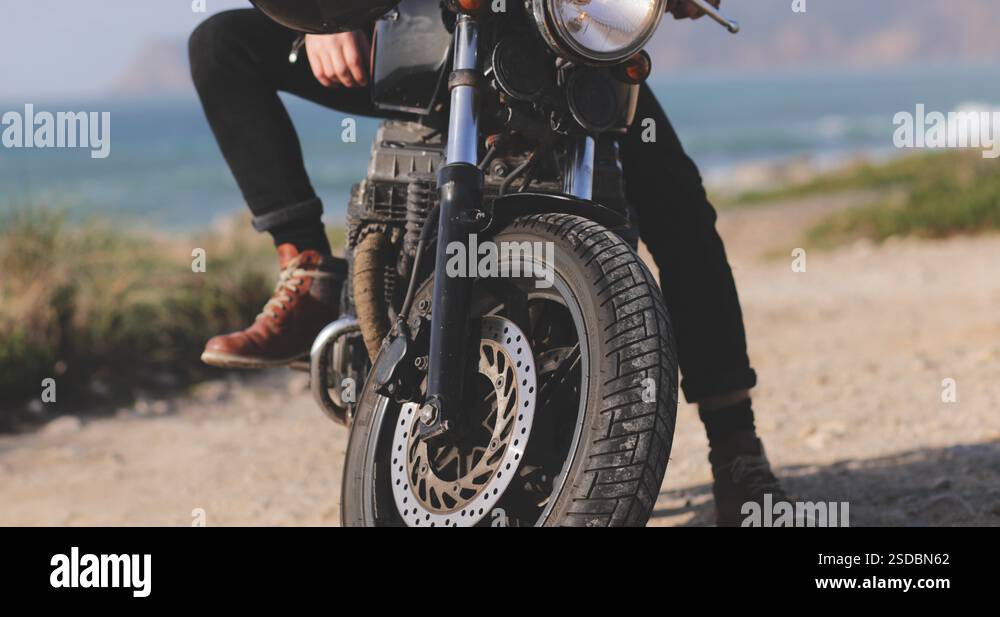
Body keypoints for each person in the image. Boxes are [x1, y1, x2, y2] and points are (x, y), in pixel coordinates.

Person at [188, 0, 786, 526]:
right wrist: (325, 15)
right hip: (410, 20)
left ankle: (736, 448)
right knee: (221, 45)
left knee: (677, 204)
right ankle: (310, 268)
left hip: (560, 31)